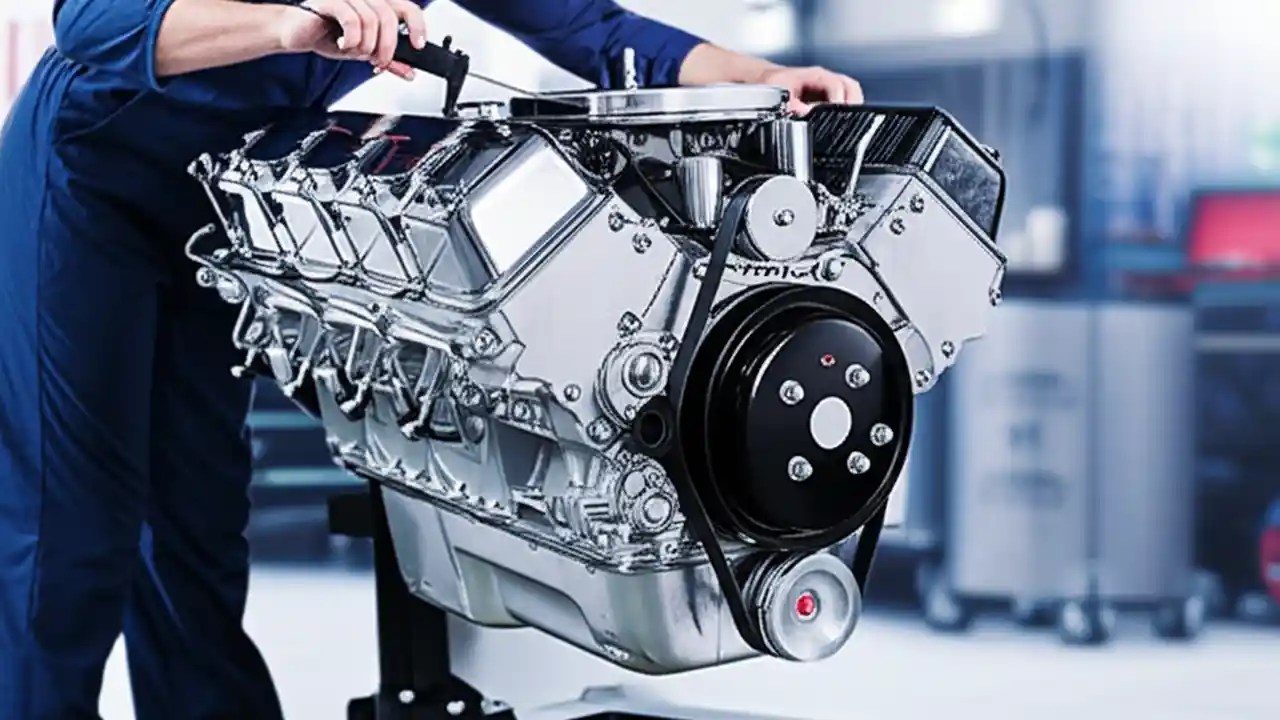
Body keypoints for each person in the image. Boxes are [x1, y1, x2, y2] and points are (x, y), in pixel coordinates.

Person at [0, 1, 863, 717]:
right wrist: (292, 22)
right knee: (70, 540)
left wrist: (759, 77)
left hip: (219, 196)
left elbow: (590, 30)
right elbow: (94, 24)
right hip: (87, 182)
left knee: (197, 529)